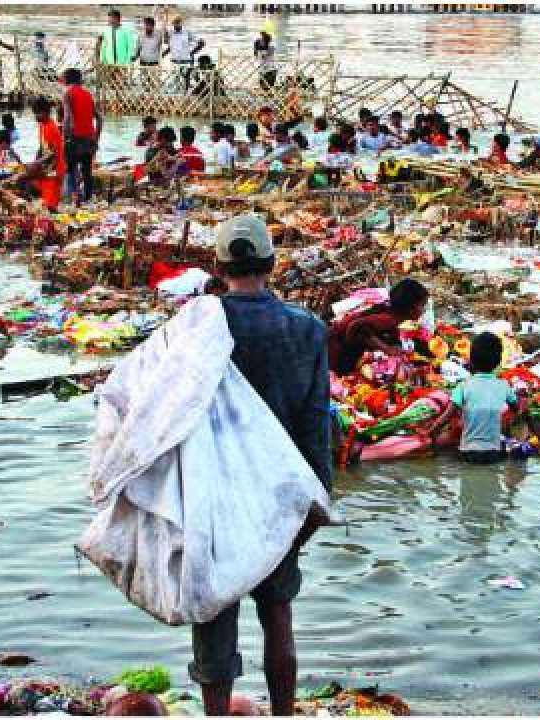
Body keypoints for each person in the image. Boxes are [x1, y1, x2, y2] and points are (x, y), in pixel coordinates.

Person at [195, 213, 331, 717]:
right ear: (272, 263)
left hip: (216, 495)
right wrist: (319, 500)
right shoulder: (307, 329)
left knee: (214, 619)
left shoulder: (203, 325)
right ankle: (284, 713)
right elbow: (317, 420)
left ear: (219, 265)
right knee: (278, 614)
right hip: (281, 493)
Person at [327, 278, 429, 374]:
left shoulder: (390, 310)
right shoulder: (389, 319)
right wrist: (387, 349)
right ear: (411, 309)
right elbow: (357, 327)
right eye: (422, 305)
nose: (424, 310)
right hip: (335, 352)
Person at [453, 332, 520, 464]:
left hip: (468, 452)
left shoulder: (463, 386)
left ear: (471, 360)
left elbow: (447, 415)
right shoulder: (504, 385)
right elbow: (516, 409)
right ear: (499, 361)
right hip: (493, 453)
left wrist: (431, 431)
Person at [61, 67, 103, 204]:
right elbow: (100, 119)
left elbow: (67, 118)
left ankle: (74, 200)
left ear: (66, 80)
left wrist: (64, 139)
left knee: (71, 171)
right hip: (89, 139)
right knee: (86, 172)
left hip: (75, 139)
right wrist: (96, 139)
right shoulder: (88, 95)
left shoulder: (68, 94)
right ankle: (88, 199)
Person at [26, 97, 66, 211]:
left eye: (37, 113)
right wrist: (35, 162)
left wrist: (37, 163)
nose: (36, 117)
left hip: (54, 169)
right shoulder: (42, 125)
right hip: (46, 167)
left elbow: (53, 153)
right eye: (35, 113)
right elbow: (42, 147)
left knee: (51, 207)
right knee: (29, 185)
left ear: (46, 112)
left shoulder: (52, 128)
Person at [166, 14, 204, 91]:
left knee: (186, 82)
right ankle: (176, 98)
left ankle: (185, 96)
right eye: (174, 23)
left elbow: (202, 43)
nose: (175, 25)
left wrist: (192, 53)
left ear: (181, 22)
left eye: (177, 23)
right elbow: (171, 46)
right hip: (174, 62)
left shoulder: (187, 32)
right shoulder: (171, 33)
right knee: (174, 83)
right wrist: (163, 54)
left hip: (186, 62)